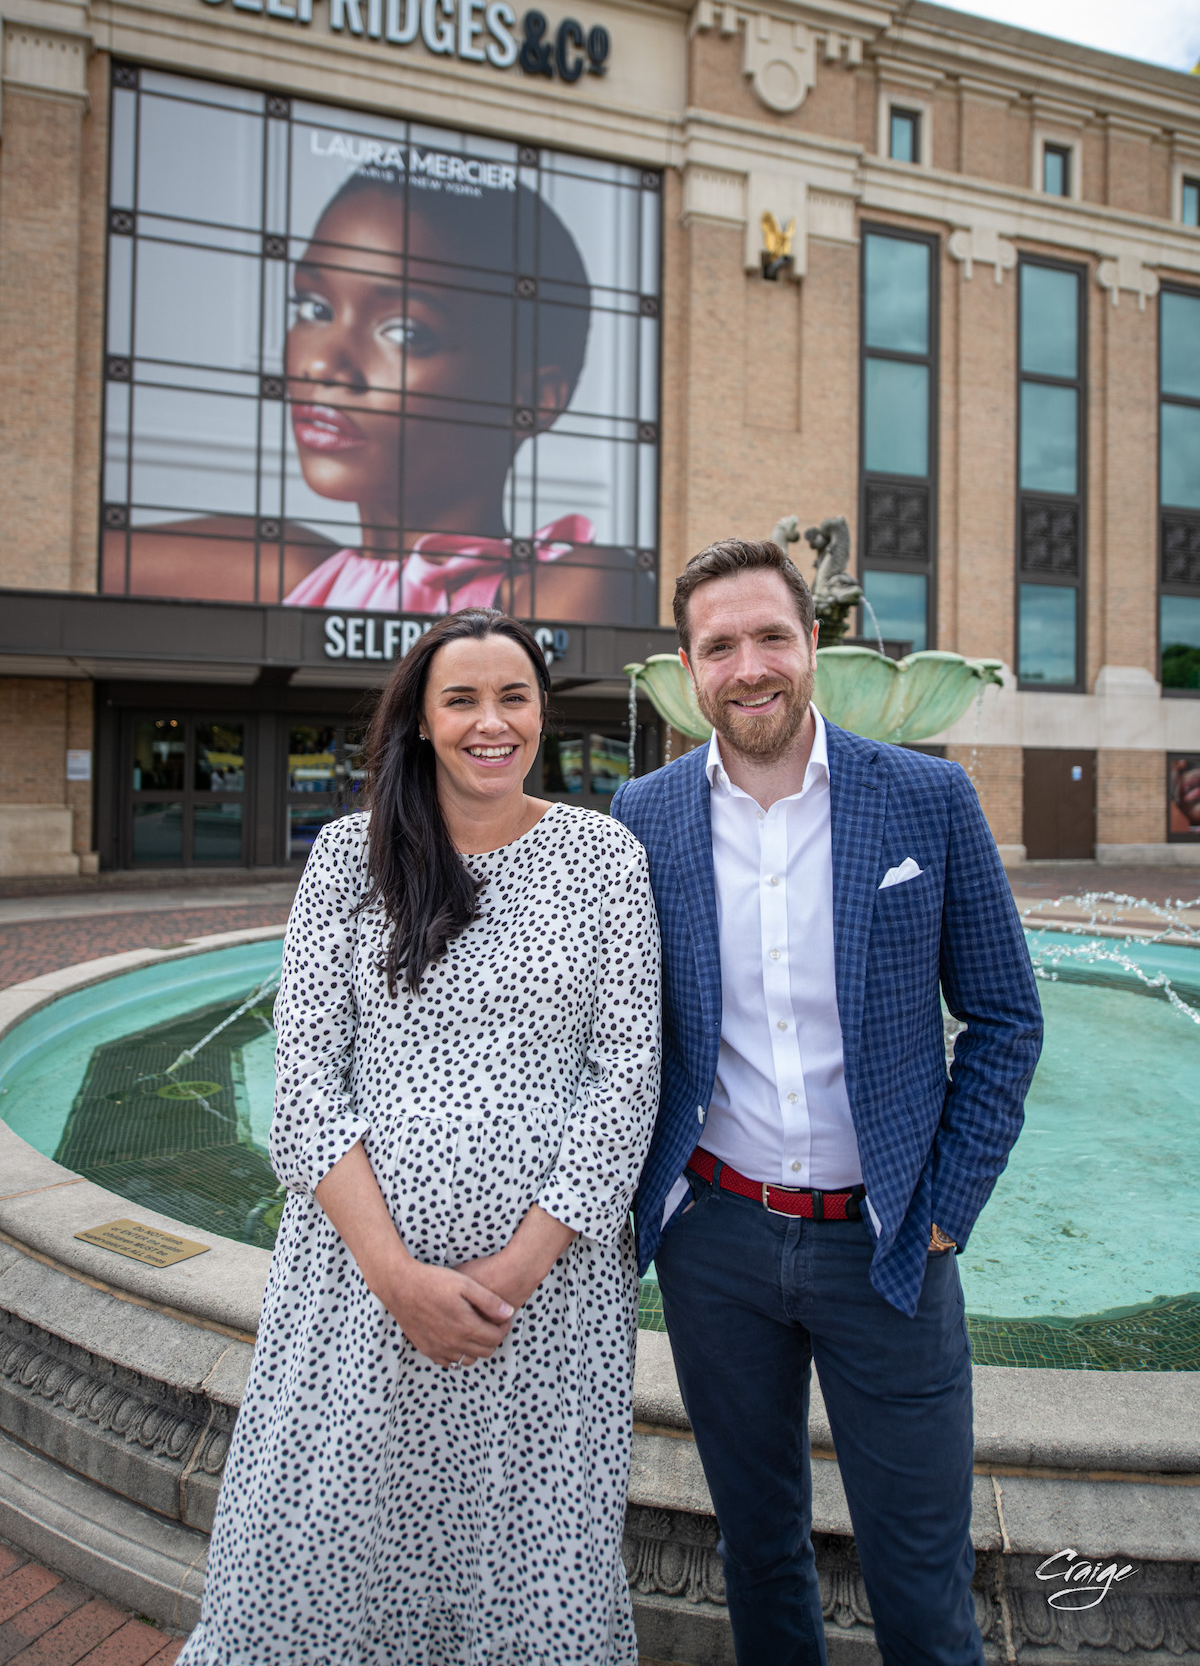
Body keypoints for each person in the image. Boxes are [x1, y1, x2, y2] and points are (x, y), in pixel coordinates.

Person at [180, 606, 661, 1666]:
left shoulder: (605, 859)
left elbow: (625, 1079)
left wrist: (518, 1269)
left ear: (542, 713)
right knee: (334, 1536)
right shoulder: (352, 858)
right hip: (356, 1289)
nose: (492, 723)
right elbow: (304, 1082)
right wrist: (396, 1275)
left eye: (514, 697)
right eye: (463, 699)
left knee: (524, 1551)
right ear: (423, 722)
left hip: (546, 1304)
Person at [610, 538, 1043, 1666]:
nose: (747, 666)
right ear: (689, 667)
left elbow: (1005, 1018)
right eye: (719, 646)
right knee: (756, 1552)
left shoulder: (926, 797)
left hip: (890, 1251)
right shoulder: (641, 815)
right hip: (716, 1248)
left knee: (919, 1578)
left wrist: (948, 1206)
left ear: (813, 644)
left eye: (769, 637)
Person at [122, 165, 636, 621]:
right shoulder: (283, 568)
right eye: (313, 308)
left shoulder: (572, 583)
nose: (323, 364)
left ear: (533, 400)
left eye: (405, 332)